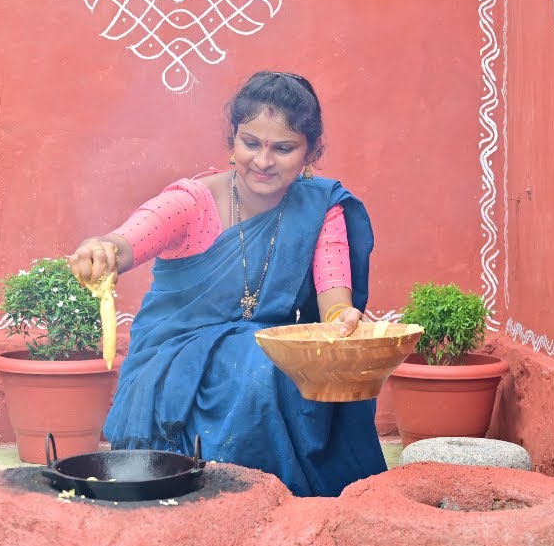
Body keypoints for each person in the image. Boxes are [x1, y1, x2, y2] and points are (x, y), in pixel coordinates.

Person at [67, 71, 387, 497]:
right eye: (250, 143)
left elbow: (333, 293)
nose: (263, 161)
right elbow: (127, 241)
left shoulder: (320, 207)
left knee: (307, 363)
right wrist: (101, 250)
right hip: (175, 362)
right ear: (233, 141)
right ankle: (238, 495)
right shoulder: (191, 202)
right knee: (261, 360)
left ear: (311, 152)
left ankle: (298, 505)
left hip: (264, 357)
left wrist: (340, 319)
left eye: (284, 148)